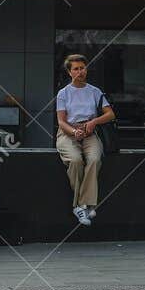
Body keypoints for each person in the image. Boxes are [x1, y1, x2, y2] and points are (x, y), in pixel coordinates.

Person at [54, 54, 116, 227]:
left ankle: (84, 205)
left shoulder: (95, 91)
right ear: (69, 72)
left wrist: (93, 122)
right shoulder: (63, 93)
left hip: (90, 132)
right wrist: (74, 131)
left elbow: (110, 114)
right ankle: (81, 206)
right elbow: (61, 121)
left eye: (83, 68)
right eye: (76, 69)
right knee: (74, 160)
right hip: (68, 132)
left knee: (95, 159)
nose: (80, 71)